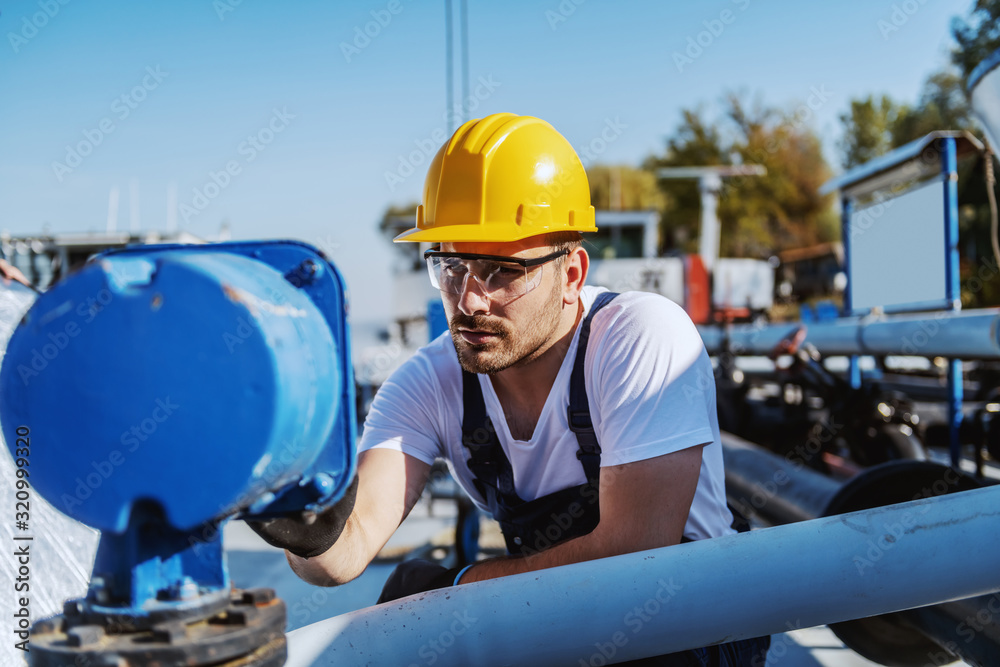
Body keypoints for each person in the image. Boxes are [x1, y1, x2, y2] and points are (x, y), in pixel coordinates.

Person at [249, 113, 770, 665]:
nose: (469, 301)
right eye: (451, 266)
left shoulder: (640, 335)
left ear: (571, 274)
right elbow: (342, 555)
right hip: (553, 615)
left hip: (688, 624)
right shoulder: (428, 382)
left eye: (501, 271)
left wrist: (462, 587)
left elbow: (634, 554)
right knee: (406, 601)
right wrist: (287, 504)